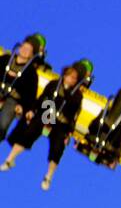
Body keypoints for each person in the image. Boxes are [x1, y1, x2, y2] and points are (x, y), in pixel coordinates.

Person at [2, 62, 86, 190]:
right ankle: (10, 159)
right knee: (29, 132)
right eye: (70, 76)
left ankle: (49, 176)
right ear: (65, 75)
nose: (72, 80)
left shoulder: (77, 96)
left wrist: (69, 132)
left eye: (75, 78)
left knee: (57, 147)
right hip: (48, 112)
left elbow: (73, 115)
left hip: (61, 121)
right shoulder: (54, 84)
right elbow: (42, 98)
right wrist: (32, 110)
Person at [0, 38, 41, 142]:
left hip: (13, 100)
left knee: (3, 124)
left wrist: (23, 107)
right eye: (24, 47)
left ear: (31, 55)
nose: (24, 50)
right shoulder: (6, 59)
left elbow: (31, 95)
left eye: (29, 50)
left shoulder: (31, 73)